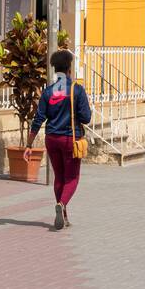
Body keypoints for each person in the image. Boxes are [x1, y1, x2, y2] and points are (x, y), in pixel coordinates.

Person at [25, 49, 92, 230]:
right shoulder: (76, 90)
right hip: (70, 140)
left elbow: (38, 118)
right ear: (69, 69)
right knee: (72, 178)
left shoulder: (48, 91)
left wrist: (29, 144)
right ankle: (61, 205)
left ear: (55, 70)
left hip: (51, 139)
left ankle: (63, 215)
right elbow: (86, 118)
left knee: (59, 178)